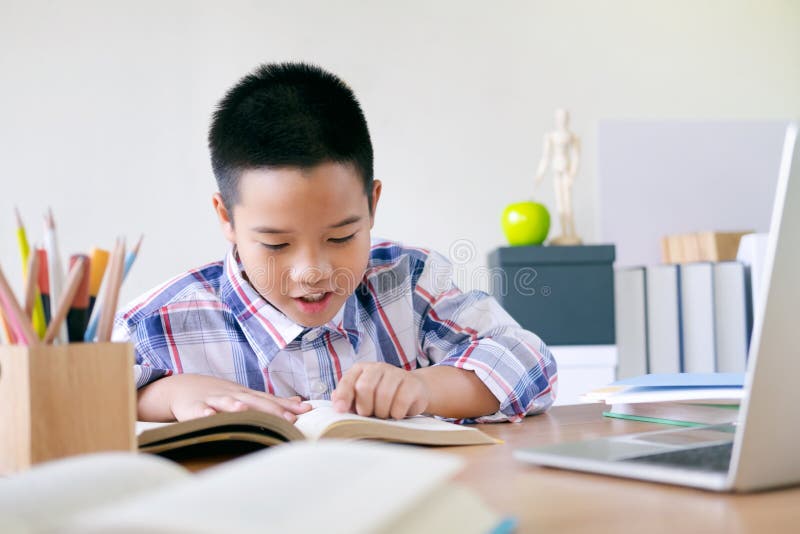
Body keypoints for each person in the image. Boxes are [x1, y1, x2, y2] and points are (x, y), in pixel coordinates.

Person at [114, 63, 557, 424]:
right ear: (226, 217)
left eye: (341, 236)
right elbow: (67, 396)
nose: (313, 271)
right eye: (275, 244)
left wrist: (422, 389)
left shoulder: (409, 284)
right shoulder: (158, 326)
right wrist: (167, 394)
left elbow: (529, 361)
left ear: (373, 204)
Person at [534, 108, 582, 245]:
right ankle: (564, 232)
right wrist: (539, 174)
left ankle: (571, 232)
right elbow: (545, 157)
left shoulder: (572, 136)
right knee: (560, 204)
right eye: (560, 117)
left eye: (564, 117)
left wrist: (572, 173)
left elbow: (576, 156)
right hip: (556, 170)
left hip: (566, 171)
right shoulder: (551, 136)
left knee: (568, 203)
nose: (562, 120)